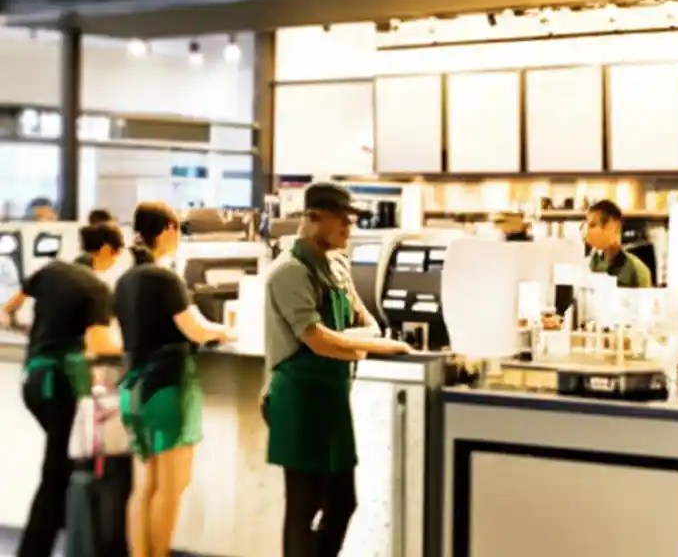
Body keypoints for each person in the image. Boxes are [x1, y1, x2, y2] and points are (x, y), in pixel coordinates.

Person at [264, 183, 411, 557]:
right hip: (298, 399)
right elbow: (316, 338)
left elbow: (368, 324)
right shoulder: (289, 271)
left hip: (332, 398)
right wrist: (372, 346)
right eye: (341, 219)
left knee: (343, 501)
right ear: (313, 219)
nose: (349, 227)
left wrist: (351, 340)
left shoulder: (337, 267)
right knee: (302, 506)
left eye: (352, 219)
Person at [114, 202, 235, 557]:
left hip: (133, 390)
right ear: (168, 229)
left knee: (143, 486)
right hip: (166, 388)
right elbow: (194, 330)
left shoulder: (125, 280)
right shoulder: (165, 278)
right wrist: (225, 331)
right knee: (172, 485)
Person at [1, 223, 122, 557]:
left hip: (33, 381)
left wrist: (32, 331)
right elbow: (100, 344)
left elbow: (8, 308)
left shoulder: (50, 270)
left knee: (65, 468)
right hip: (60, 386)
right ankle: (36, 550)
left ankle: (70, 541)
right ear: (109, 251)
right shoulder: (97, 289)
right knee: (58, 473)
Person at [584, 200, 652, 288]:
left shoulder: (636, 269)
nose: (588, 232)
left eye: (593, 225)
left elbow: (645, 300)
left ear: (614, 226)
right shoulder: (593, 264)